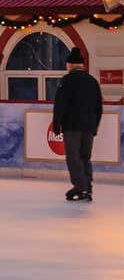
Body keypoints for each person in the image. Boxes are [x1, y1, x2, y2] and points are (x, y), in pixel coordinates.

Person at [52, 51, 103, 202]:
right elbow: (99, 106)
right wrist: (95, 126)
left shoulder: (67, 80)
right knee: (85, 156)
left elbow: (60, 104)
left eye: (67, 64)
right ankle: (87, 187)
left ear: (71, 64)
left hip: (72, 126)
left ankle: (81, 187)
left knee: (73, 157)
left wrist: (56, 124)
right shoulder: (92, 81)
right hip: (88, 126)